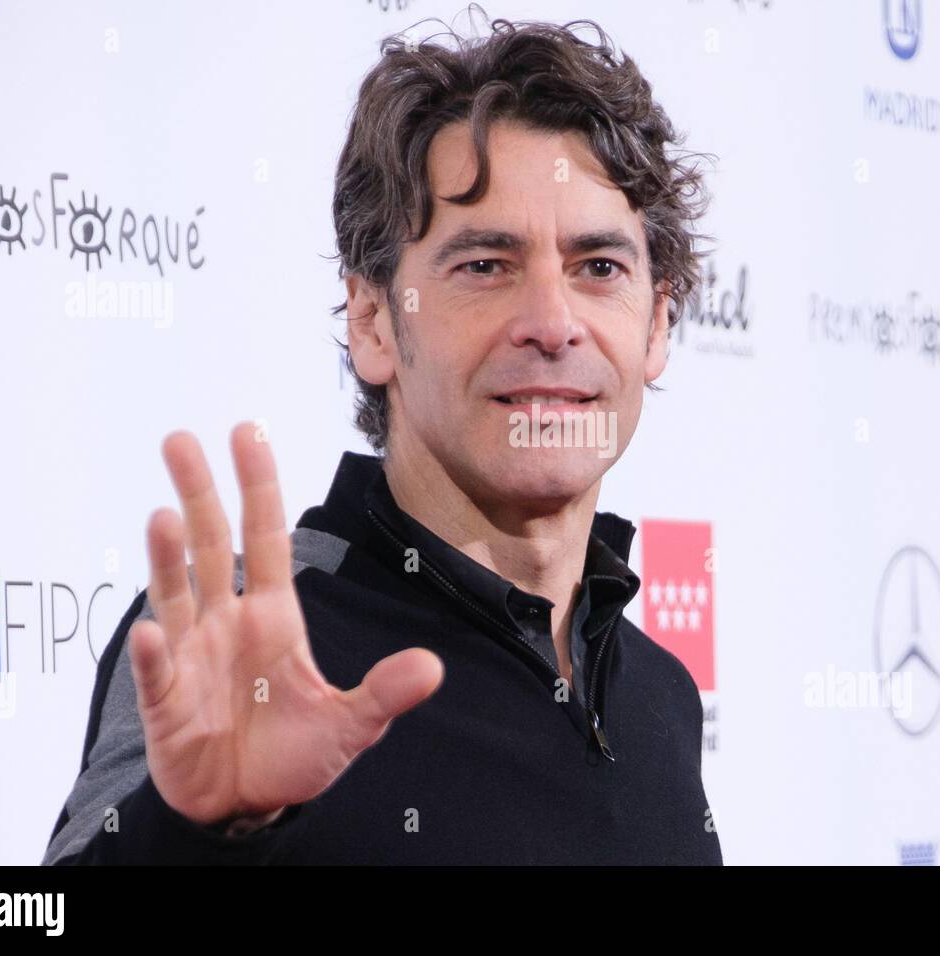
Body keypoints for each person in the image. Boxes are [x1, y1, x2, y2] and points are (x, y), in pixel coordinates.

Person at [42, 13, 720, 865]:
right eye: (485, 266)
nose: (553, 324)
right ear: (372, 321)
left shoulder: (660, 695)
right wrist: (194, 832)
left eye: (599, 268)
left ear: (656, 325)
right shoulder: (253, 639)